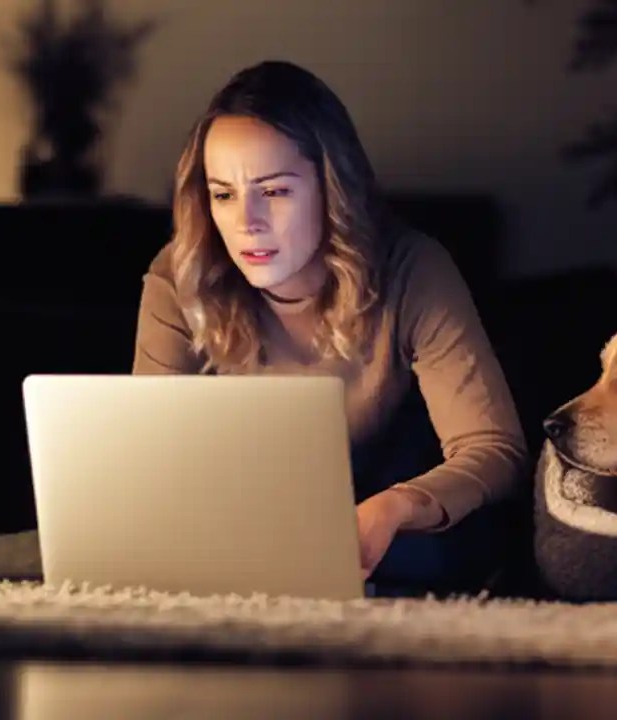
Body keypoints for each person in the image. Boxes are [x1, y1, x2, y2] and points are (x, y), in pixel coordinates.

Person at [132, 60, 528, 592]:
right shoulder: (182, 274)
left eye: (274, 192)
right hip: (239, 533)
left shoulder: (412, 268)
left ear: (331, 187)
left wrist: (396, 507)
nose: (247, 220)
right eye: (223, 194)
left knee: (445, 555)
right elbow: (143, 455)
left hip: (386, 523)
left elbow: (495, 449)